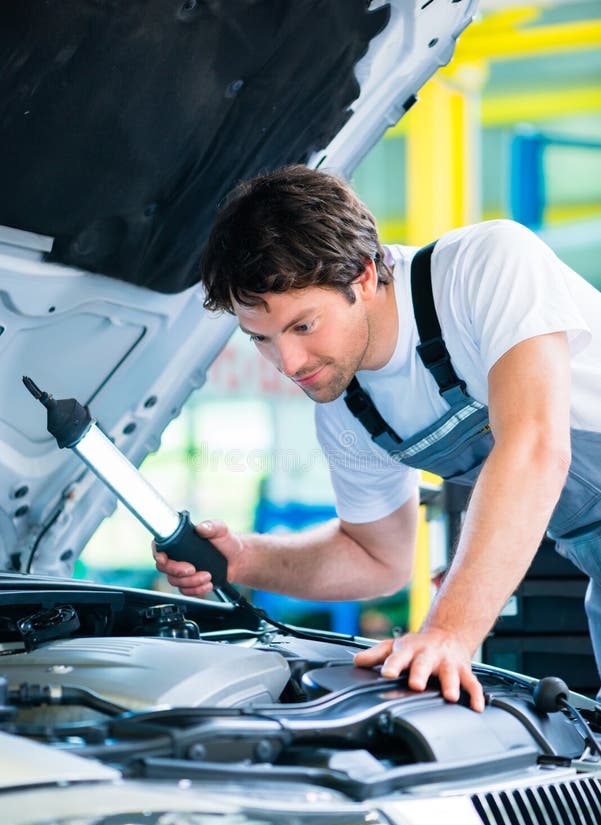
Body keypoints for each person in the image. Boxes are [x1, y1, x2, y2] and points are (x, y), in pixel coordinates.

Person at [153, 164, 601, 712]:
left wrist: (449, 632)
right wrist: (241, 558)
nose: (287, 363)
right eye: (261, 339)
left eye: (303, 326)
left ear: (364, 275)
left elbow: (535, 446)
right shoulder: (349, 408)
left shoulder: (486, 267)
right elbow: (376, 557)